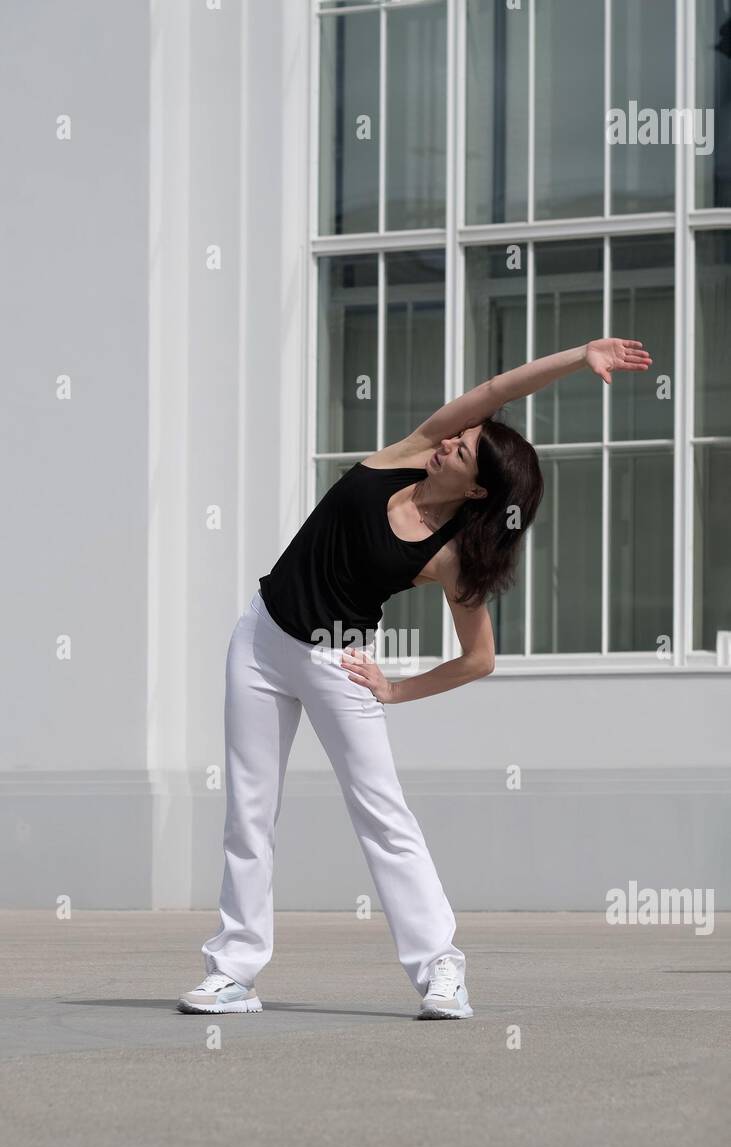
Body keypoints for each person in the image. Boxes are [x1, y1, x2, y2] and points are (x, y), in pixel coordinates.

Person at [178, 337, 651, 1020]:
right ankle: (233, 972)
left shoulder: (452, 555)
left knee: (382, 816)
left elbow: (477, 658)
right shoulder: (408, 450)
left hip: (337, 662)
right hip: (259, 639)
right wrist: (579, 358)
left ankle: (440, 969)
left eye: (461, 451)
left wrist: (395, 688)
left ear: (478, 487)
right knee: (247, 814)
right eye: (455, 437)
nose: (449, 442)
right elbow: (496, 388)